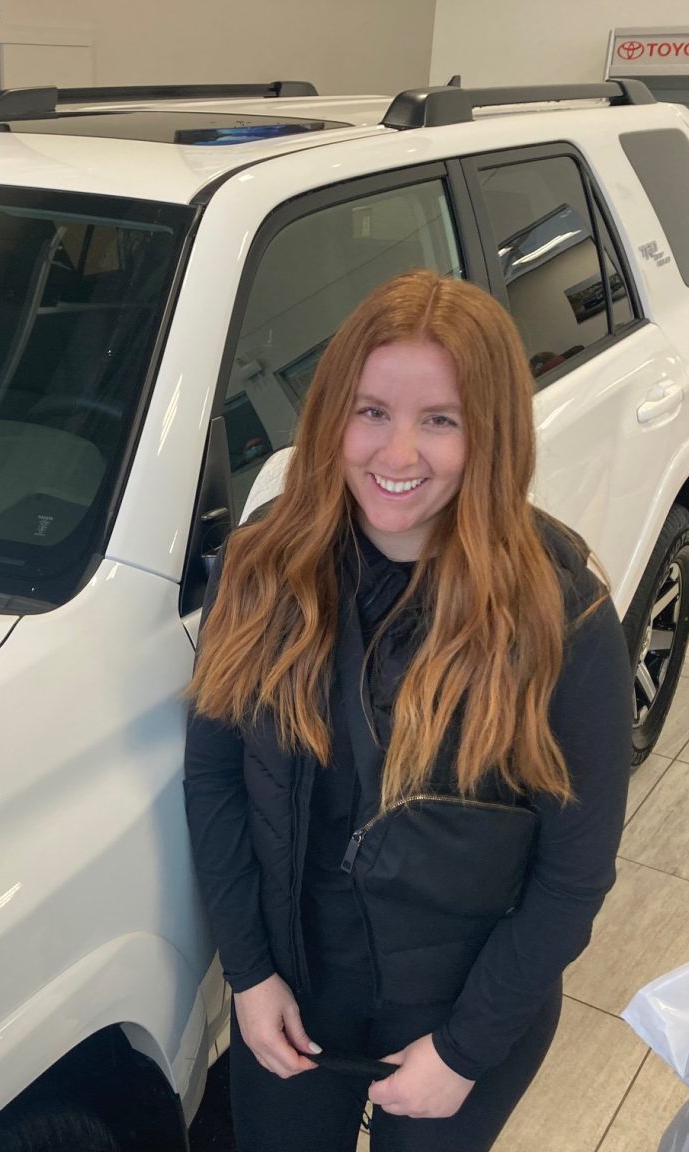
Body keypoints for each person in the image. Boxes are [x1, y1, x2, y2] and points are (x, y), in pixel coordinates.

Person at [184, 269, 632, 1151]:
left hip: (460, 1014)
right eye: (372, 412)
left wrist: (464, 1051)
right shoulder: (262, 566)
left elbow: (574, 876)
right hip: (295, 992)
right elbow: (216, 782)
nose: (396, 455)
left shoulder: (561, 616)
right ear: (331, 417)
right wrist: (250, 972)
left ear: (492, 435)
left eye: (440, 421)